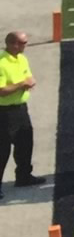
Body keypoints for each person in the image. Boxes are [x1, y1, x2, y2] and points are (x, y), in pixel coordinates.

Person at [0, 29, 40, 193]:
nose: (26, 45)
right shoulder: (2, 63)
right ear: (12, 44)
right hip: (4, 113)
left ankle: (24, 176)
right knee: (2, 150)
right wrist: (21, 85)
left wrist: (29, 83)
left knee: (25, 143)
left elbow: (28, 77)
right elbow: (1, 90)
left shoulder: (22, 59)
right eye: (23, 42)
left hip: (21, 109)